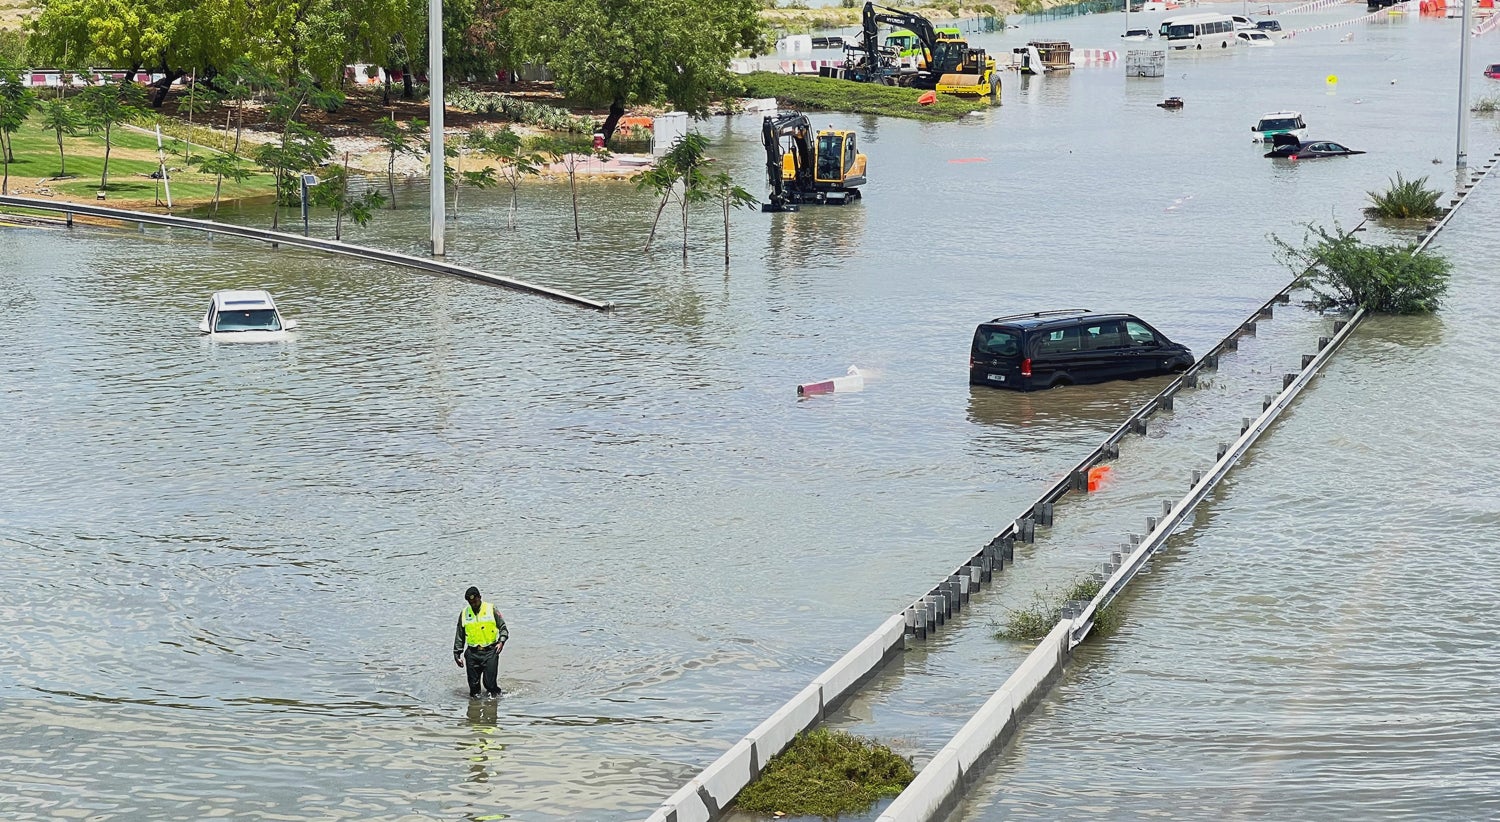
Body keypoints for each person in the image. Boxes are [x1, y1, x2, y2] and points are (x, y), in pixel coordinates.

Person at [453, 586, 508, 697]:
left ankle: (496, 702)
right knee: (474, 689)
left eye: (475, 601)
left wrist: (501, 642)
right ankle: (475, 710)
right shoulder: (464, 613)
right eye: (470, 602)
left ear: (480, 597)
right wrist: (457, 653)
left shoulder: (491, 609)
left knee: (489, 685)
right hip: (472, 653)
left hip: (490, 651)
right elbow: (460, 635)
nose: (473, 604)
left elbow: (503, 628)